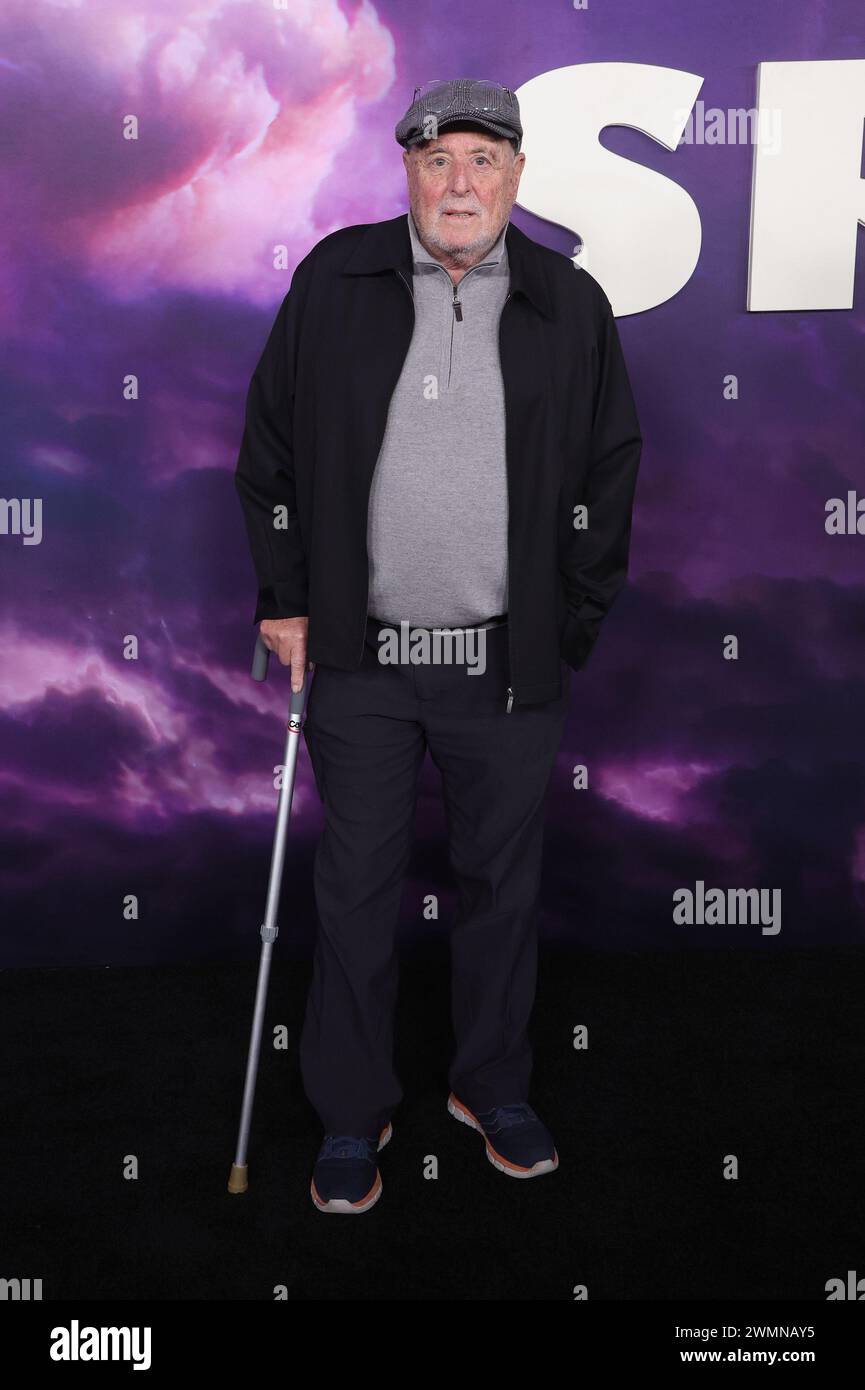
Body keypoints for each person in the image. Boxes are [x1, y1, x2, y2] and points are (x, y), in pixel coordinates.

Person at [234, 78, 642, 1214]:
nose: (459, 181)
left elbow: (609, 478)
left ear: (516, 174)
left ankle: (490, 1085)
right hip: (361, 659)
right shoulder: (336, 280)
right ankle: (351, 1111)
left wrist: (567, 623)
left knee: (499, 886)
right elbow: (268, 447)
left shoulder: (569, 301)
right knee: (356, 887)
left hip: (505, 663)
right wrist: (285, 592)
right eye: (436, 158)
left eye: (483, 159)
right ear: (405, 169)